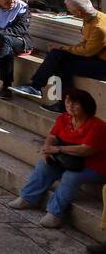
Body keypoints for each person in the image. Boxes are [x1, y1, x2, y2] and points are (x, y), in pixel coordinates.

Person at [8, 88, 106, 229]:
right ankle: (28, 198)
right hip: (69, 159)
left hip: (94, 165)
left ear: (86, 106)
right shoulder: (64, 118)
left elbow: (87, 150)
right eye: (68, 102)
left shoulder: (97, 126)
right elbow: (52, 137)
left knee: (71, 176)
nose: (70, 106)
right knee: (45, 164)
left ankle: (55, 213)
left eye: (75, 103)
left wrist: (58, 149)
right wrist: (47, 150)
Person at [12, 0, 106, 111]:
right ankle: (35, 86)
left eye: (70, 11)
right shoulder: (89, 18)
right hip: (94, 55)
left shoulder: (99, 27)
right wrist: (62, 49)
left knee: (63, 66)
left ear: (80, 12)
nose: (70, 13)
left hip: (102, 64)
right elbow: (85, 44)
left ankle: (63, 104)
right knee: (56, 53)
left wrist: (63, 47)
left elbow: (87, 51)